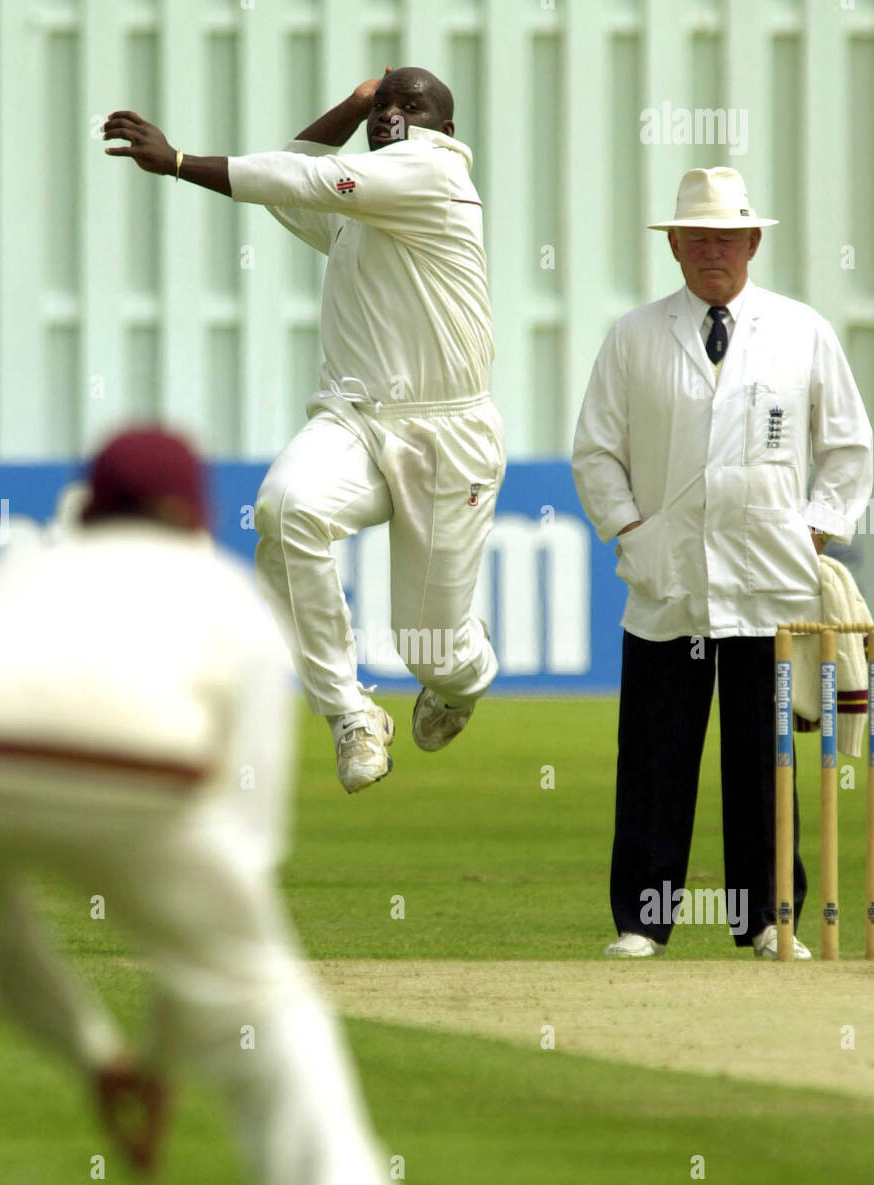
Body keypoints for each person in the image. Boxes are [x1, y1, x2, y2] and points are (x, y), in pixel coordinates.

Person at [0, 428, 464, 1185]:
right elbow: (242, 861)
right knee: (262, 993)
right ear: (191, 515)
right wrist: (165, 1048)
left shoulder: (8, 580)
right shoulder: (227, 598)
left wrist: (98, 1054)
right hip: (137, 759)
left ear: (90, 510)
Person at [102, 66, 506, 794]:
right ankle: (350, 714)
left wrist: (180, 163)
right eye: (382, 105)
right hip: (354, 419)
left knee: (432, 651)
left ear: (445, 132)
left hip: (447, 437)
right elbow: (296, 175)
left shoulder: (433, 175)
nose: (390, 115)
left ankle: (463, 676)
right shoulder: (369, 196)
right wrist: (351, 107)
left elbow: (307, 178)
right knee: (285, 510)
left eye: (408, 106)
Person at [571, 168, 873, 961]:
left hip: (769, 585)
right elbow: (596, 451)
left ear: (753, 242)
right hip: (666, 581)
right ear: (673, 244)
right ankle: (640, 922)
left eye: (727, 237)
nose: (713, 250)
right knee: (654, 756)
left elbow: (847, 447)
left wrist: (812, 530)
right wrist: (628, 531)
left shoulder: (800, 329)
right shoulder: (633, 335)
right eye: (697, 236)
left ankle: (771, 919)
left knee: (764, 761)